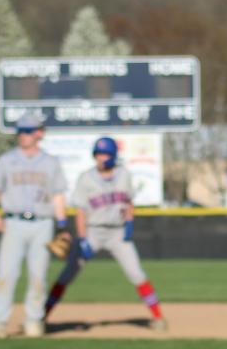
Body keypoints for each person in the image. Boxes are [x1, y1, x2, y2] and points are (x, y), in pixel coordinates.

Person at [45, 136, 167, 332]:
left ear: (113, 156)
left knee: (137, 274)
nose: (101, 158)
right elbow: (81, 212)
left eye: (105, 154)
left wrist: (129, 224)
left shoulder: (124, 175)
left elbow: (129, 202)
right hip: (93, 231)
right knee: (67, 274)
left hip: (118, 233)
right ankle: (42, 315)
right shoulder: (86, 178)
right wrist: (83, 238)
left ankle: (158, 317)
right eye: (99, 154)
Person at [0, 111, 67, 338]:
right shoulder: (6, 160)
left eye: (28, 131)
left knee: (38, 275)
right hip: (14, 222)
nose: (23, 135)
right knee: (6, 274)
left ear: (39, 133)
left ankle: (33, 321)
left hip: (43, 223)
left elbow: (58, 195)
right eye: (20, 131)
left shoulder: (51, 162)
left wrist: (62, 225)